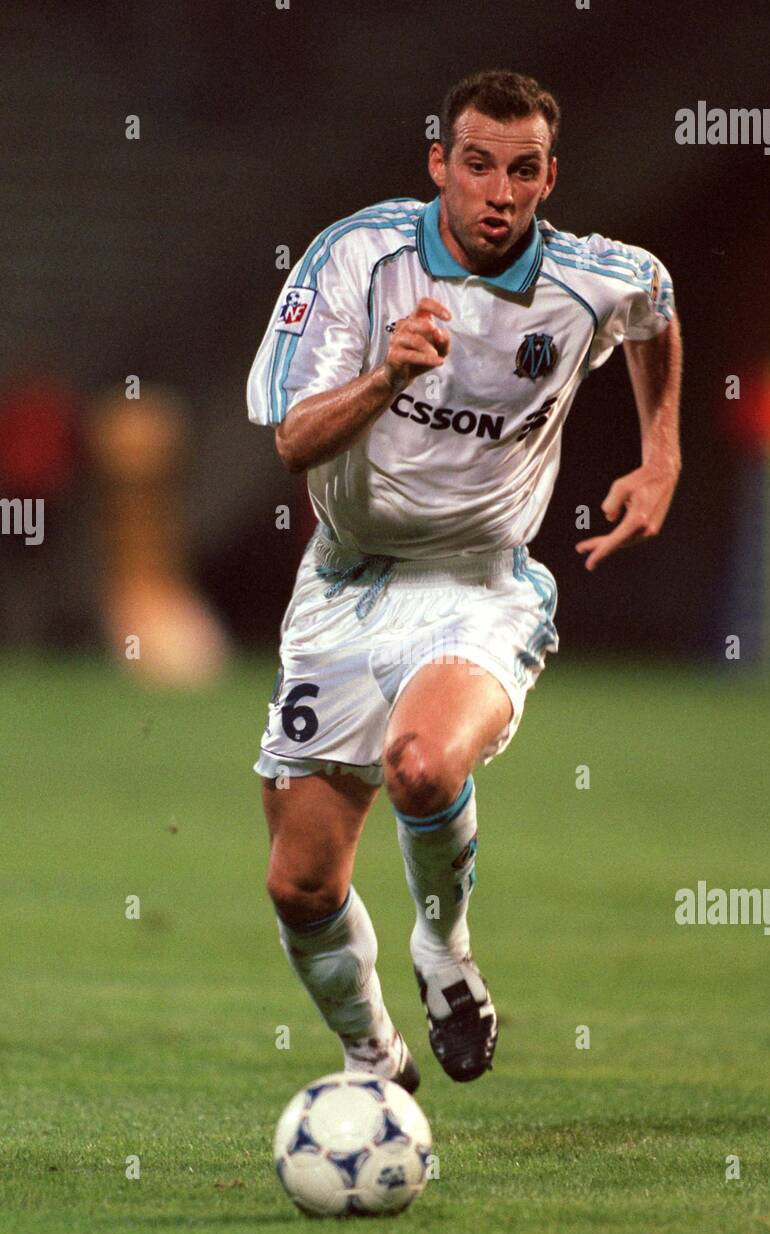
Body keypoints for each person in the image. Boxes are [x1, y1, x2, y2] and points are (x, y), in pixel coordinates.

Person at [246, 69, 682, 1093]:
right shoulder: (358, 258)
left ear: (547, 178)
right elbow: (292, 441)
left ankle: (443, 950)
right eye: (476, 164)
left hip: (481, 586)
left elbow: (654, 305)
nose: (497, 191)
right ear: (438, 163)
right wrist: (388, 376)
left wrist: (661, 453)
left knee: (424, 768)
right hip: (345, 586)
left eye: (521, 171)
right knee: (300, 882)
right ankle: (374, 1062)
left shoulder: (588, 278)